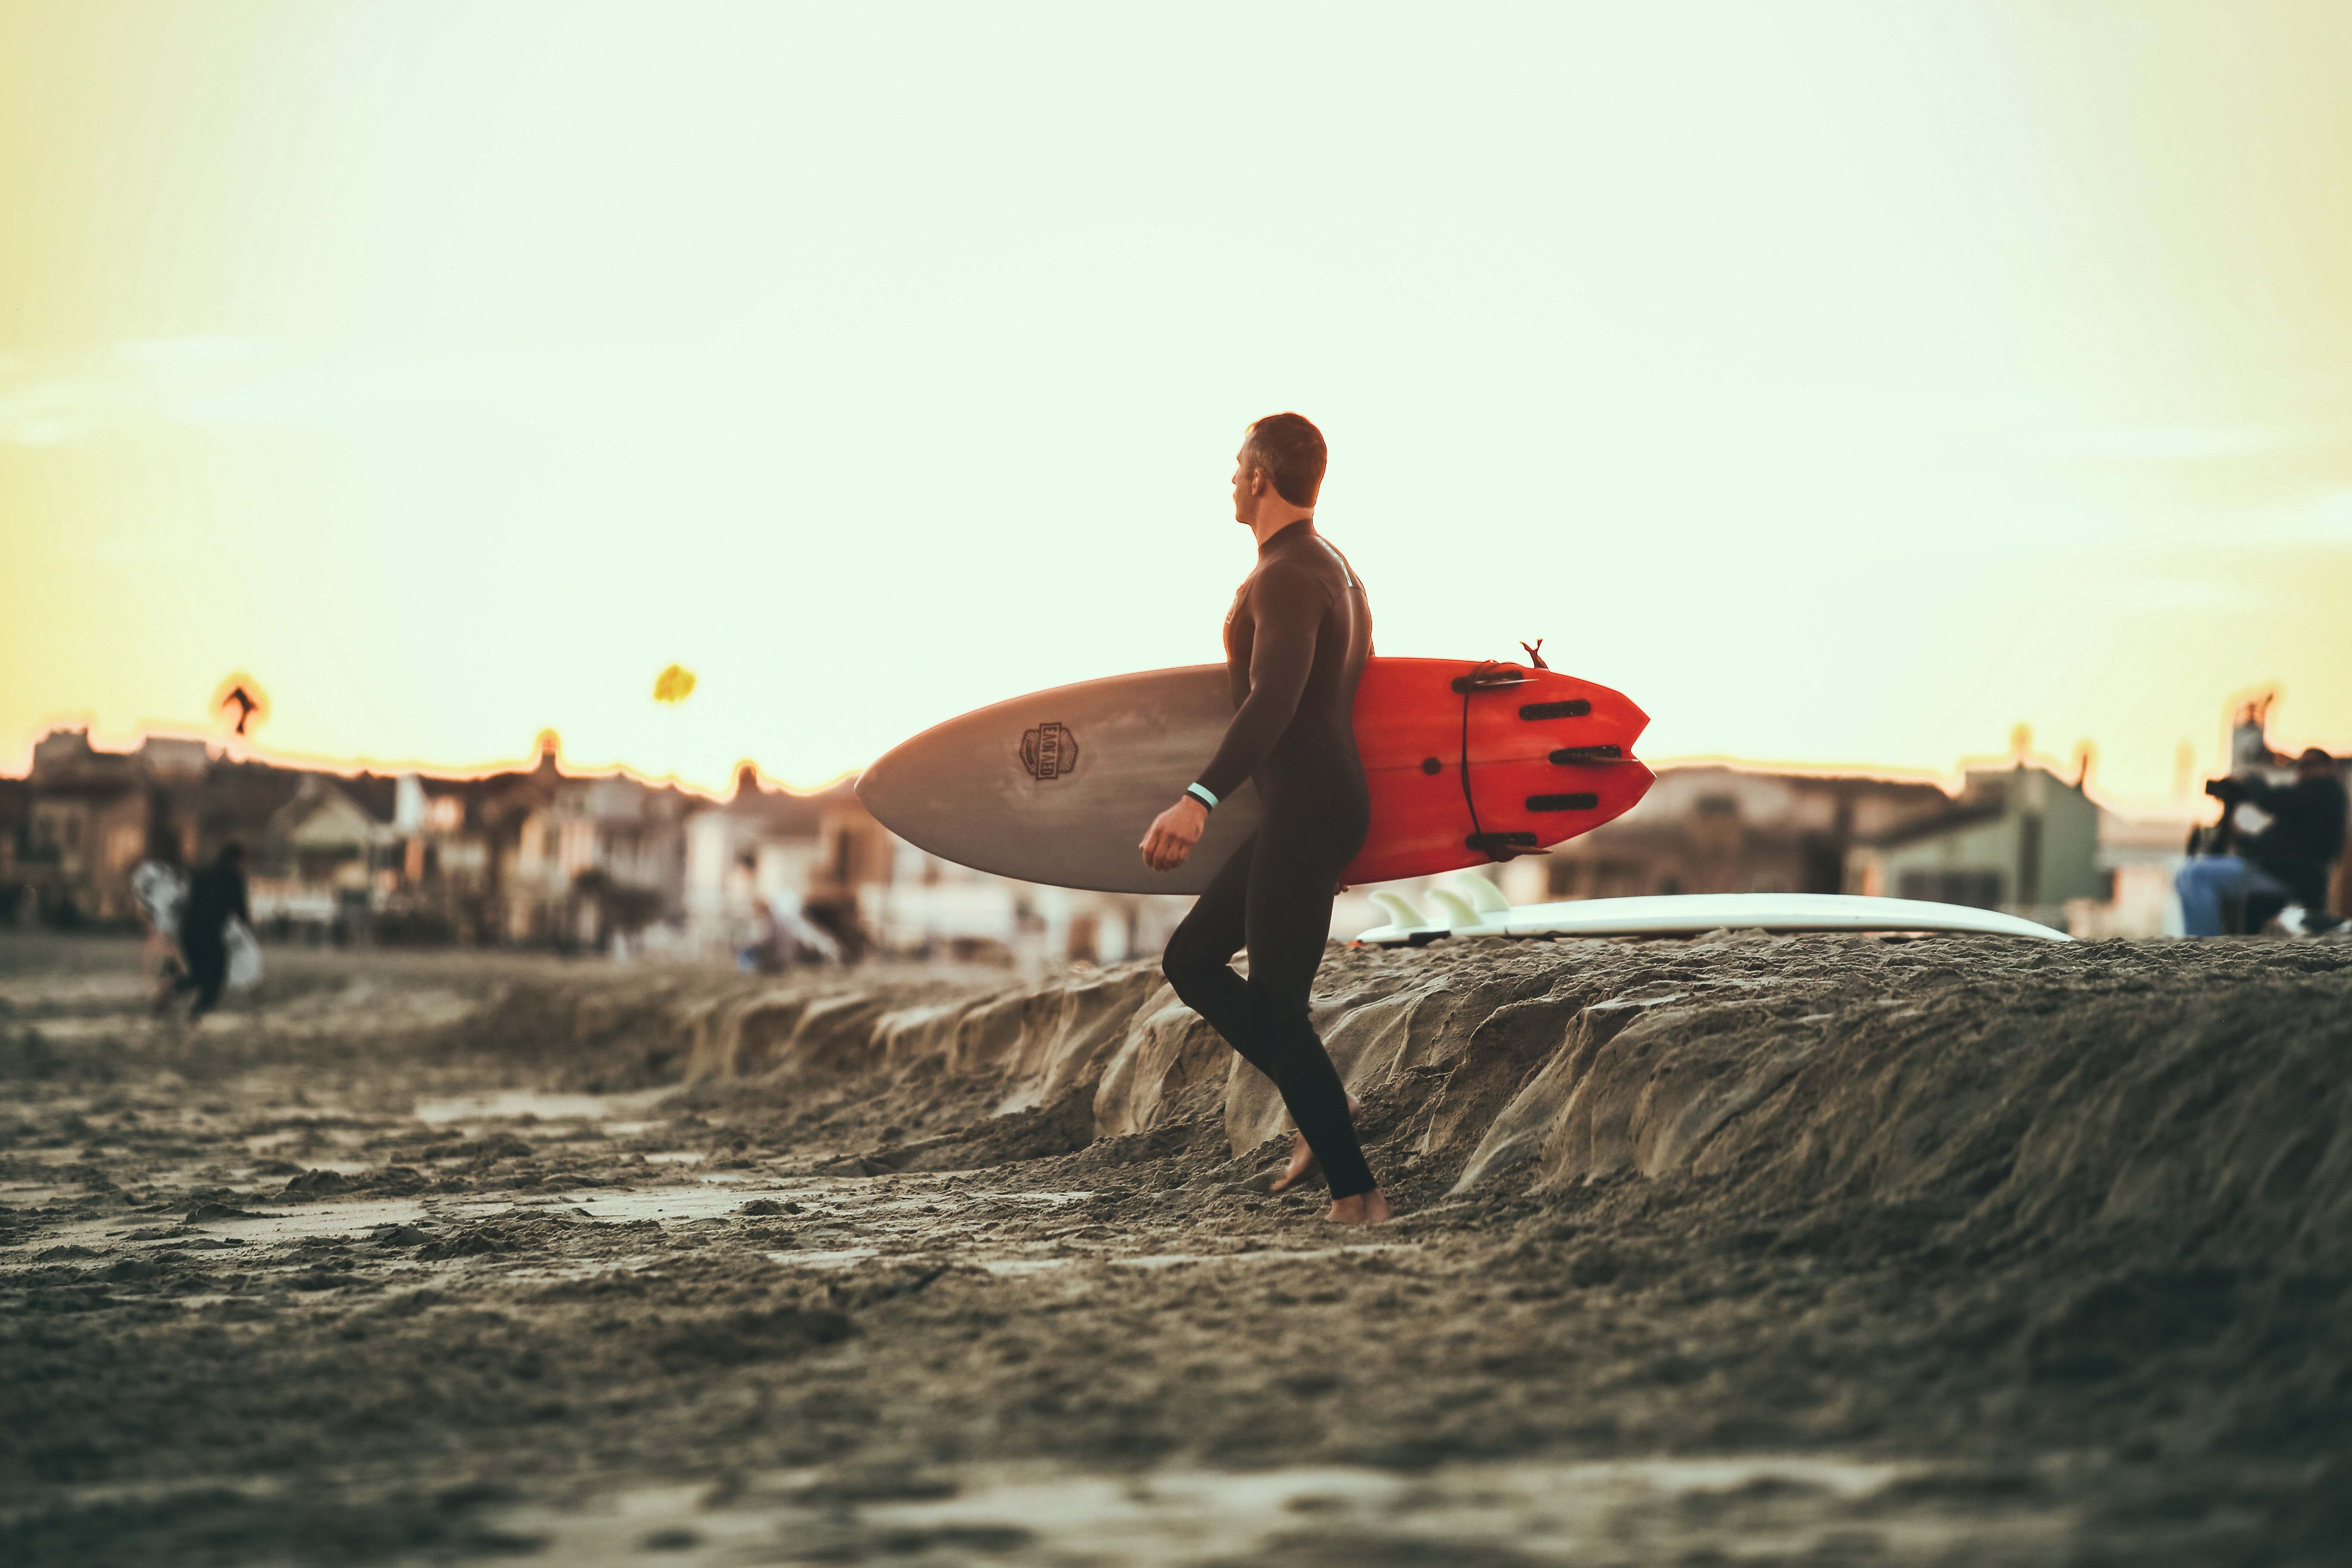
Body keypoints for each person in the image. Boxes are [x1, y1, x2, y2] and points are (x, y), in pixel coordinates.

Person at [1144, 413, 1390, 1225]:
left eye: (1236, 465)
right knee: (1192, 958)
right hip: (1314, 808)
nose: (1229, 480)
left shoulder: (1286, 575)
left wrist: (1199, 797)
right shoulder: (1335, 569)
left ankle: (1356, 1197)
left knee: (1279, 1009)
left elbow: (1277, 700)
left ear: (1260, 475)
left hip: (1311, 808)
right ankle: (1323, 1102)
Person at [2175, 748, 2347, 936]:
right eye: (2300, 765)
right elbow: (2285, 844)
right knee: (2188, 873)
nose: (2303, 770)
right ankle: (2197, 937)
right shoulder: (2313, 806)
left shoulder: (2326, 789)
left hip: (2285, 876)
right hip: (2278, 872)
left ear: (2330, 767)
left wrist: (2250, 780)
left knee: (2196, 874)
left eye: (2310, 764)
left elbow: (2272, 801)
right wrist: (2242, 837)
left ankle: (2204, 942)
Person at [175, 842, 251, 1019]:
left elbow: (186, 900)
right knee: (216, 974)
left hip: (189, 931)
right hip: (210, 933)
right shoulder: (233, 879)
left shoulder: (201, 873)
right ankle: (197, 1011)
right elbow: (241, 911)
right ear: (237, 860)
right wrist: (249, 933)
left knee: (198, 973)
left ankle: (173, 990)